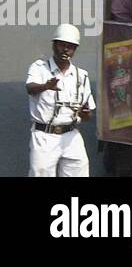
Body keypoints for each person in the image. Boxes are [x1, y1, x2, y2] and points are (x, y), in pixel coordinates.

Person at [27, 24, 94, 177]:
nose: (66, 49)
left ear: (75, 49)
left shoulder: (81, 75)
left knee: (79, 170)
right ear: (54, 45)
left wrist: (85, 114)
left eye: (70, 47)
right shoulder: (39, 68)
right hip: (45, 135)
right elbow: (30, 88)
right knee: (41, 173)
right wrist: (45, 86)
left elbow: (88, 114)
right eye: (62, 45)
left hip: (71, 134)